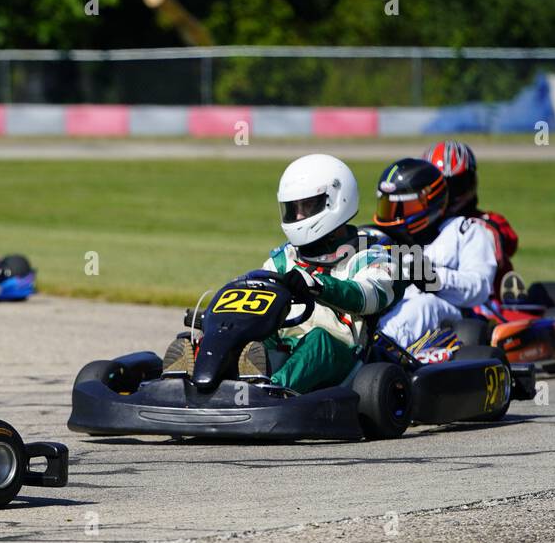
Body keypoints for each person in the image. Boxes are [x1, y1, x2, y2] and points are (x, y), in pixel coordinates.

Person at [164, 154, 398, 393]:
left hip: (338, 353)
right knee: (249, 334)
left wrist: (319, 286)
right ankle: (197, 379)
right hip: (285, 339)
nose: (297, 216)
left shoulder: (368, 254)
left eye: (306, 207)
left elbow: (371, 295)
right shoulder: (285, 258)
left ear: (335, 201)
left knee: (318, 340)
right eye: (293, 208)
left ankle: (270, 391)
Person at [374, 157, 496, 346]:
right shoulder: (382, 238)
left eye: (401, 207)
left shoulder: (464, 231)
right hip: (391, 304)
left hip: (451, 313)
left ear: (428, 202)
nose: (393, 216)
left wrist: (432, 278)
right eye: (388, 207)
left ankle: (381, 349)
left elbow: (479, 288)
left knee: (422, 305)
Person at [423, 139, 519, 296]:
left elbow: (510, 242)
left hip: (486, 300)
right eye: (441, 187)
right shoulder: (422, 226)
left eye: (456, 185)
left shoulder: (486, 223)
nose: (449, 194)